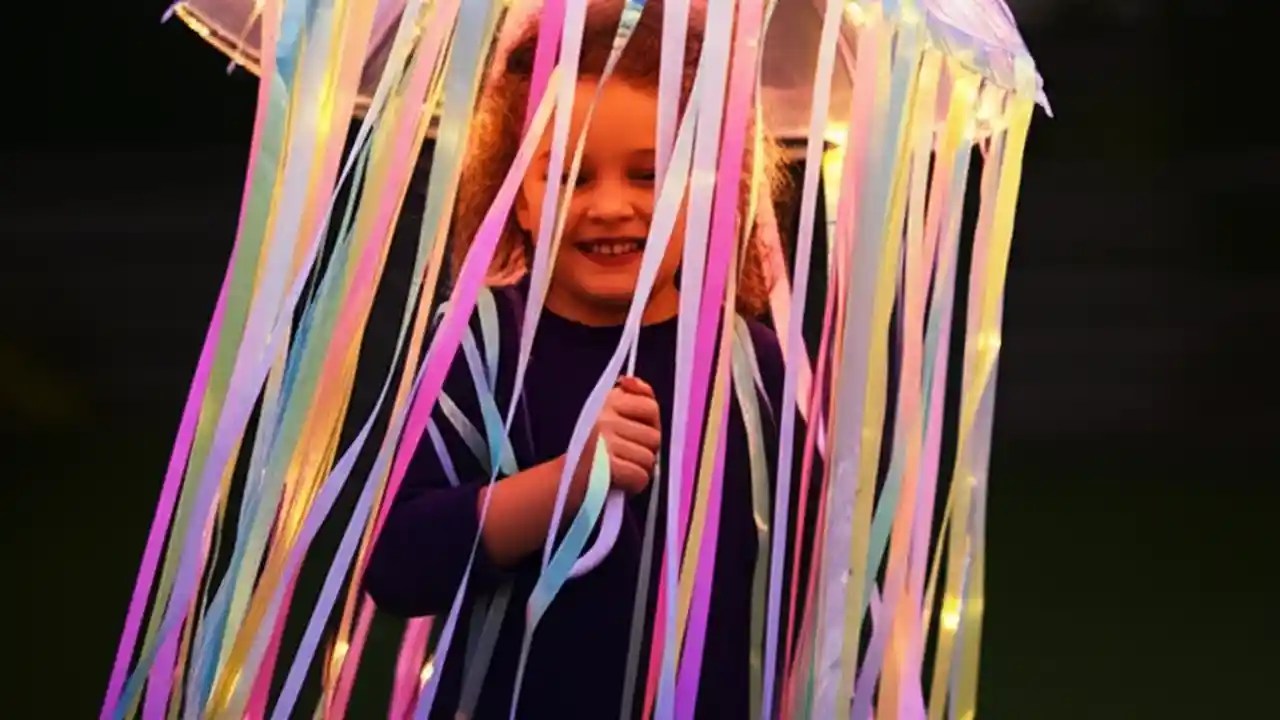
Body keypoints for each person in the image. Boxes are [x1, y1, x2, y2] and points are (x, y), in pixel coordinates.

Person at [364, 1, 815, 716]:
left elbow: (811, 570)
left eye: (649, 174)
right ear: (518, 196)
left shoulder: (750, 365)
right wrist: (566, 483)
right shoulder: (484, 344)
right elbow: (397, 563)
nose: (609, 206)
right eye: (570, 176)